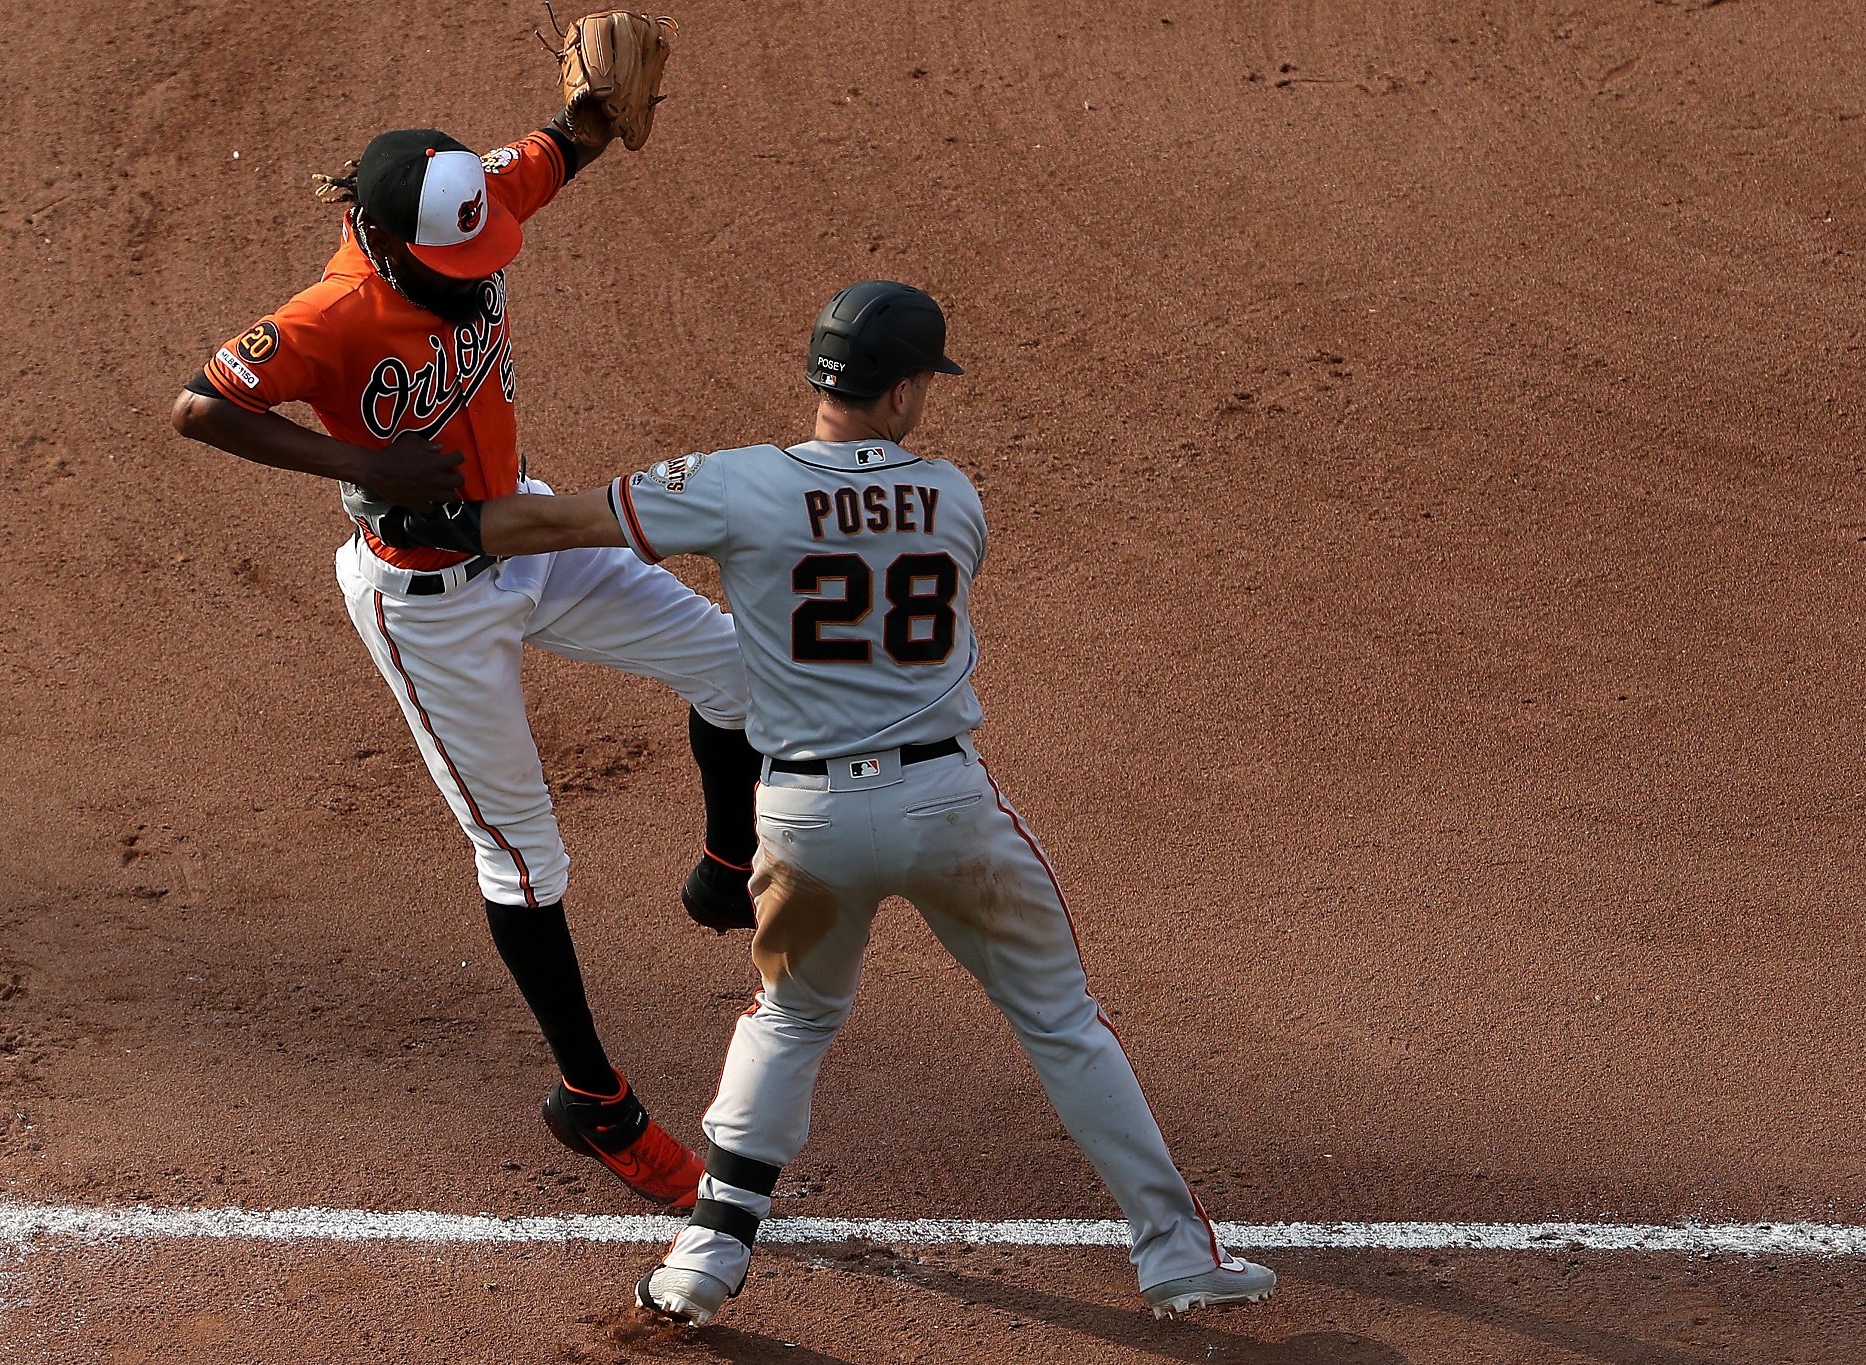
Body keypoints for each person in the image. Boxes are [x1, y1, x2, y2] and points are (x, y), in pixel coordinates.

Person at [375, 280, 1277, 1323]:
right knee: (1062, 1021)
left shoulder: (732, 486)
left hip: (804, 820)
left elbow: (553, 521)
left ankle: (705, 1258)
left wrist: (426, 516)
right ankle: (1173, 1253)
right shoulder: (954, 496)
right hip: (946, 806)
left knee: (789, 1017)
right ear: (899, 397)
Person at [167, 106, 766, 1209]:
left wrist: (579, 121)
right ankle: (596, 1102)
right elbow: (199, 407)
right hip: (426, 605)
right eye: (446, 266)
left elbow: (553, 155)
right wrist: (359, 459)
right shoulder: (331, 314)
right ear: (389, 241)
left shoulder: (466, 197)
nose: (471, 276)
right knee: (525, 861)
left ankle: (724, 871)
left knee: (736, 670)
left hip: (524, 535)